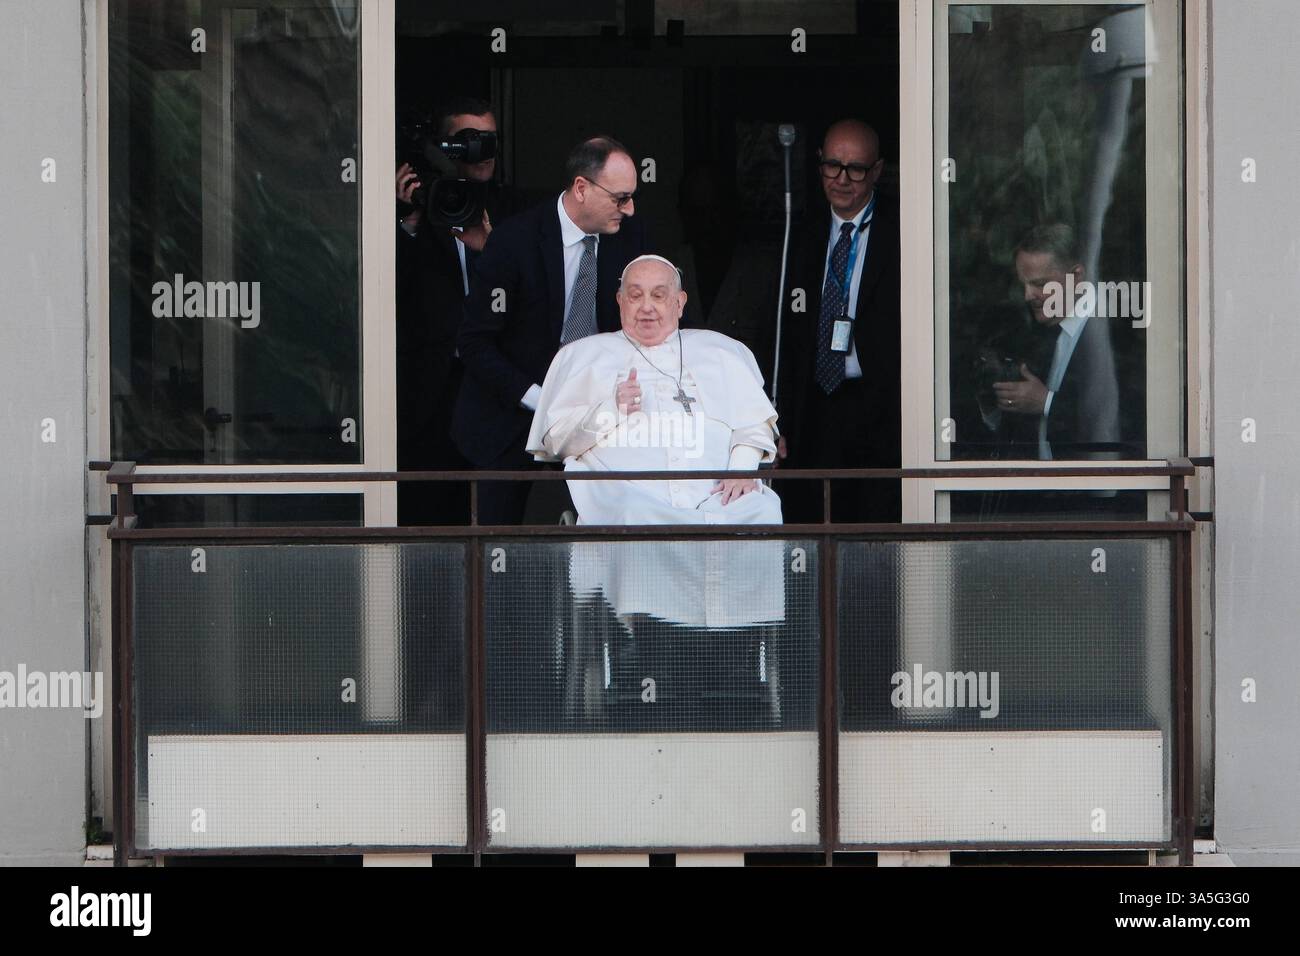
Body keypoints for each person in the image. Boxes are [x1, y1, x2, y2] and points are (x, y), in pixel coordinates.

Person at [526, 254, 783, 629]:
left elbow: (753, 426)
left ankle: (738, 641)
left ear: (679, 303)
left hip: (716, 496)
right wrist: (610, 410)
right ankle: (648, 636)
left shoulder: (719, 352)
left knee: (760, 510)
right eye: (635, 295)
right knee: (636, 517)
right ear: (619, 302)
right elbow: (556, 440)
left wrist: (742, 470)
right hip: (633, 499)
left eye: (659, 296)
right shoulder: (584, 356)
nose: (646, 307)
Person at [452, 135, 650, 525]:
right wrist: (541, 400)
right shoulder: (514, 240)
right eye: (620, 198)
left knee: (590, 552)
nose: (629, 209)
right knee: (498, 554)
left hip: (599, 422)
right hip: (508, 418)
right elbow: (474, 342)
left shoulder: (631, 241)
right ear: (581, 188)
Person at [394, 96, 516, 526]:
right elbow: (388, 296)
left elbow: (531, 296)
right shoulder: (425, 207)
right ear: (445, 148)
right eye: (469, 141)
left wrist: (492, 246)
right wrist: (407, 221)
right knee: (428, 518)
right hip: (431, 393)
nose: (481, 151)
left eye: (490, 141)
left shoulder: (515, 212)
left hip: (497, 389)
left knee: (494, 518)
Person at [776, 119, 901, 524]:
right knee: (814, 524)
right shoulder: (800, 233)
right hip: (815, 406)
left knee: (874, 529)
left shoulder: (902, 232)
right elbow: (781, 333)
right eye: (833, 166)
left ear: (878, 171)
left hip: (881, 408)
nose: (843, 179)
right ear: (819, 165)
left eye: (856, 169)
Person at [980, 223, 1121, 462]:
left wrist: (1046, 402)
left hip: (1104, 493)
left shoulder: (1112, 334)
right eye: (1023, 284)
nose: (1027, 296)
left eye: (1040, 284)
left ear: (1076, 277)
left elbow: (1121, 420)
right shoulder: (1041, 334)